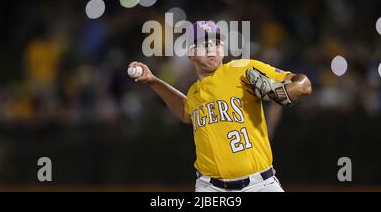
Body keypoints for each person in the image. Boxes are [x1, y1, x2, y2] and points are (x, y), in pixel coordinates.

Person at [129, 20, 312, 192]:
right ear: (191, 53)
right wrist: (153, 81)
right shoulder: (194, 92)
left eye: (216, 43)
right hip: (210, 187)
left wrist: (281, 92)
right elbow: (186, 112)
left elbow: (304, 85)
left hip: (260, 185)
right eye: (204, 44)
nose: (212, 49)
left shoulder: (242, 69)